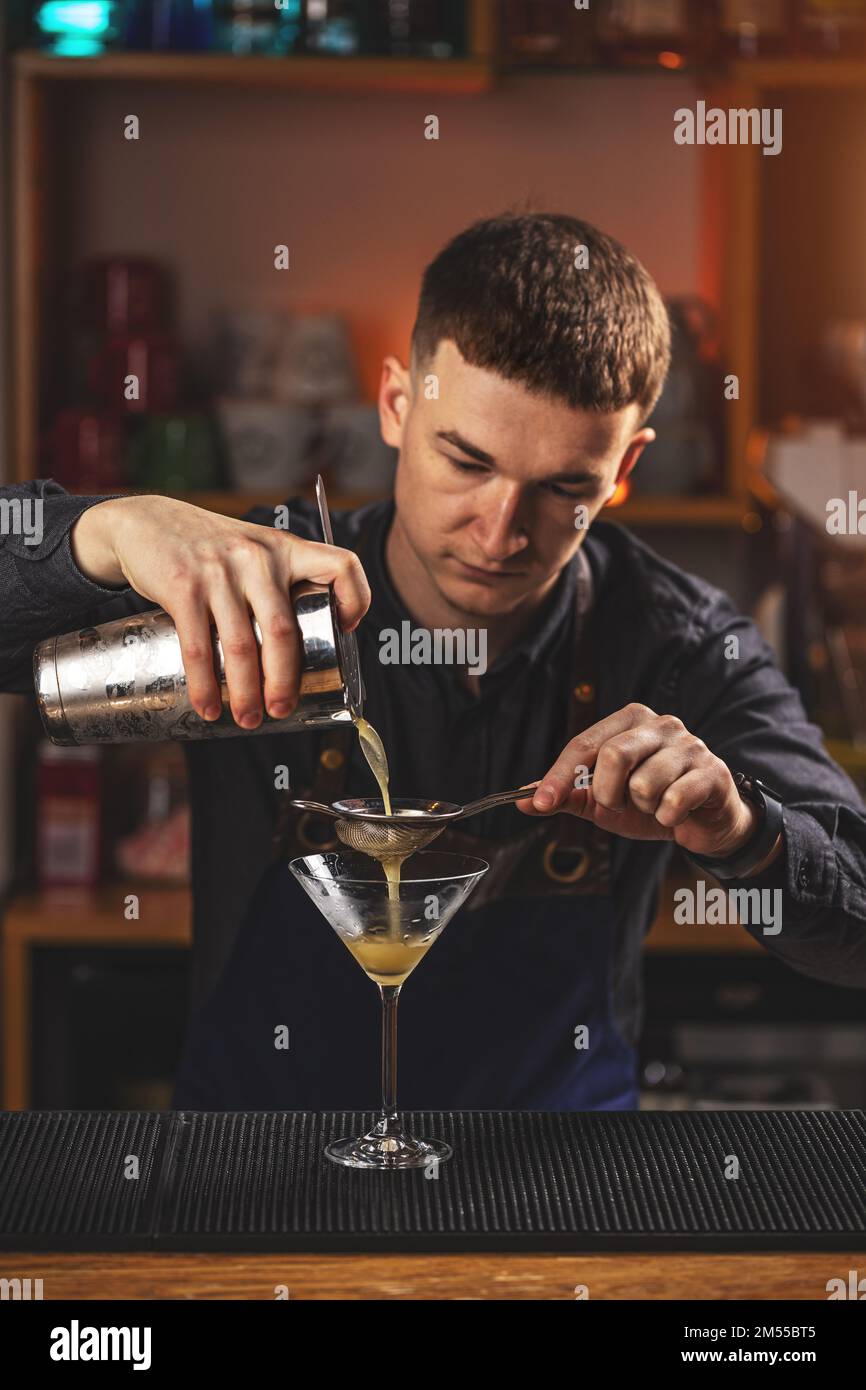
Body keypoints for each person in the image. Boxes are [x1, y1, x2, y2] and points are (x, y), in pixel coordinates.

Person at [2, 212, 865, 1113]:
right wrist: (100, 533)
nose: (499, 532)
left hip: (560, 1196)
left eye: (565, 487)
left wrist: (742, 831)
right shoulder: (252, 585)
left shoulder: (677, 642)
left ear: (624, 469)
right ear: (395, 404)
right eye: (466, 460)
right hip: (255, 1177)